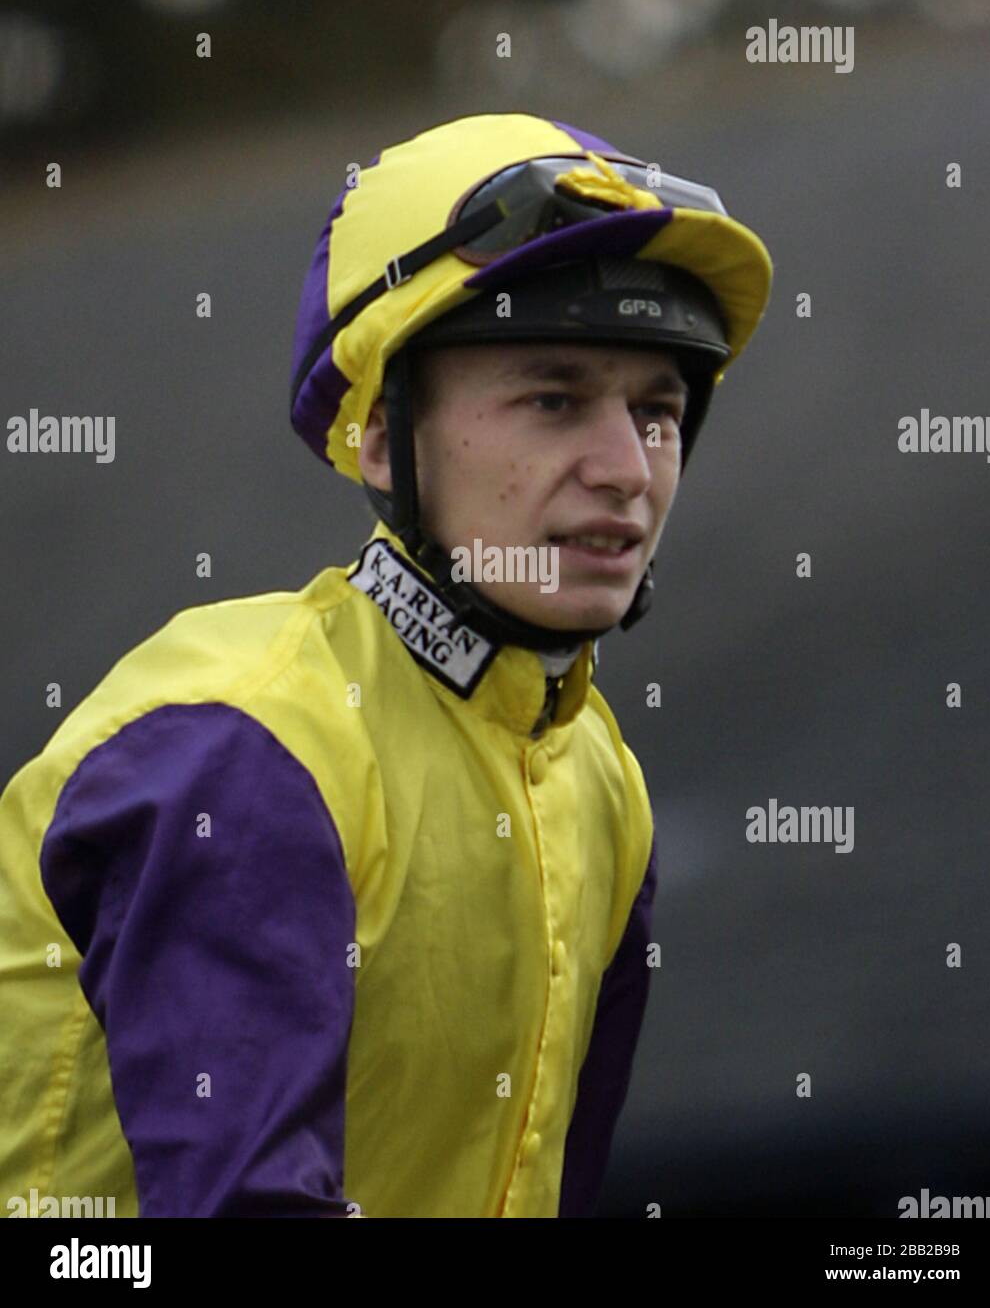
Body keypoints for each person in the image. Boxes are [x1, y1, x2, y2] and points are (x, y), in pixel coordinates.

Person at [0, 112, 772, 1218]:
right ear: (378, 436)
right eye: (552, 399)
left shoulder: (601, 783)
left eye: (655, 411)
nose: (625, 470)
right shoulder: (245, 748)